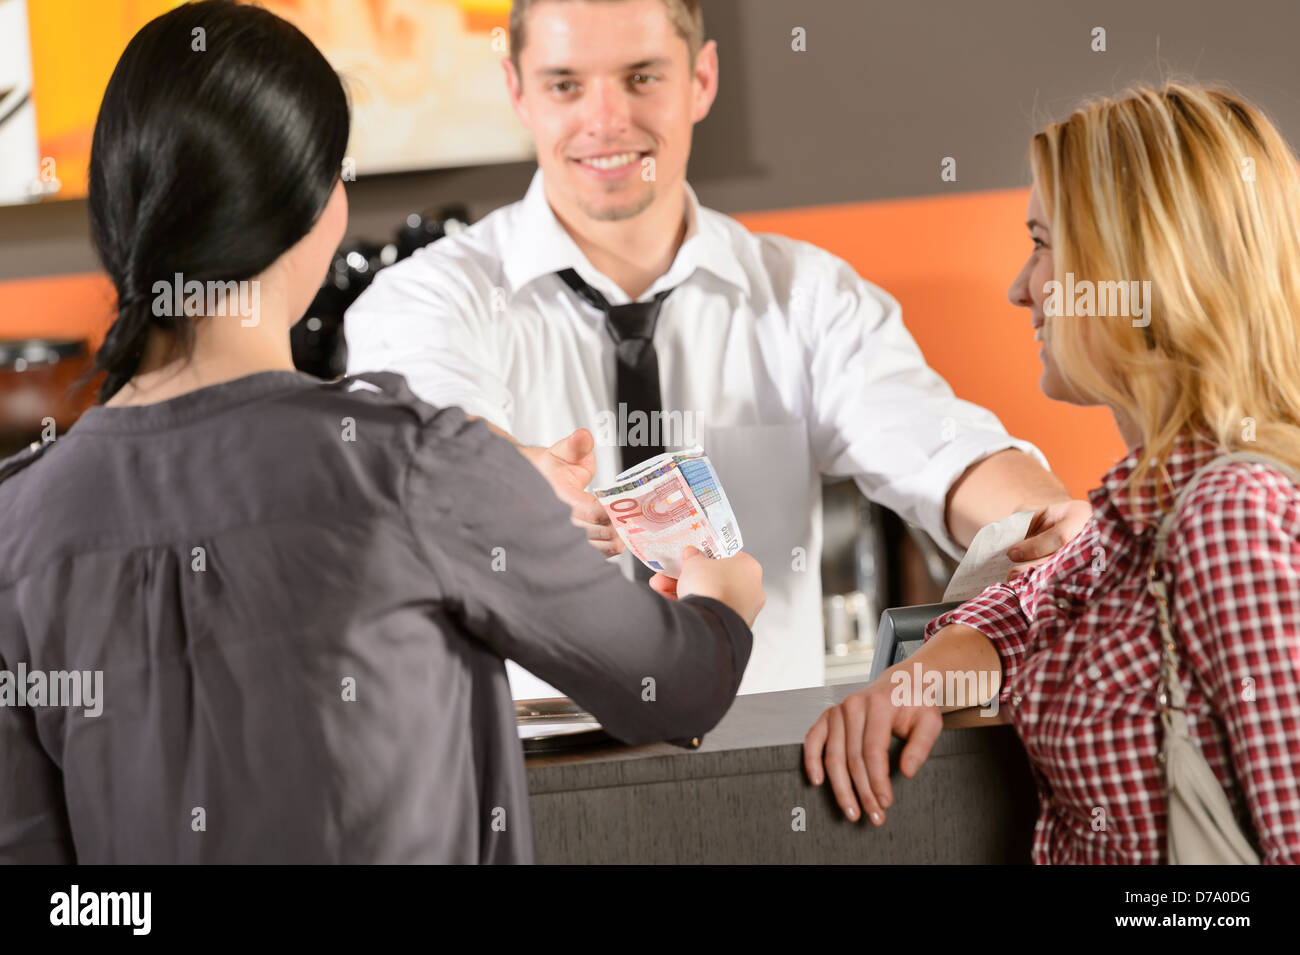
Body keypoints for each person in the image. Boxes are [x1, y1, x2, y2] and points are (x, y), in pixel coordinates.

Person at [0, 0, 762, 865]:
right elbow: (673, 687)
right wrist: (719, 602)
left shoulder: (17, 523)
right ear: (321, 205)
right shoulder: (413, 462)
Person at [344, 0, 1094, 700]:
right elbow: (434, 430)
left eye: (641, 78)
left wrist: (1052, 522)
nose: (605, 120)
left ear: (700, 79)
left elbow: (939, 445)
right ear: (517, 92)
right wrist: (509, 479)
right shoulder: (425, 296)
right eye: (565, 84)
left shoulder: (809, 296)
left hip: (763, 771)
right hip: (525, 781)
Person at [804, 83, 1300, 864]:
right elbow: (1029, 605)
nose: (1019, 287)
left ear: (1136, 270)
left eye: (1043, 244)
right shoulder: (1142, 510)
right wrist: (911, 682)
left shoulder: (1227, 515)